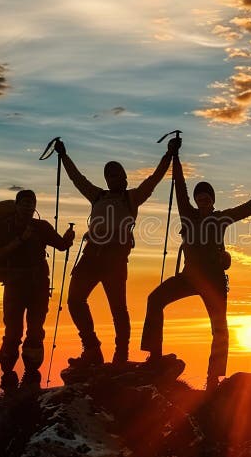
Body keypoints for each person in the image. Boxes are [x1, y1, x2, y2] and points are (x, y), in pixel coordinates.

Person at [140, 148, 251, 390]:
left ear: (213, 200)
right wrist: (176, 157)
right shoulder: (187, 215)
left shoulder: (221, 218)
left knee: (219, 327)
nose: (203, 200)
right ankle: (155, 357)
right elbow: (179, 187)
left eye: (207, 197)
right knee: (155, 299)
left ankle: (213, 378)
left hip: (213, 280)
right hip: (188, 277)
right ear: (196, 200)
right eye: (199, 197)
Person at [54, 137, 178, 369]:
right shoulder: (97, 195)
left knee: (118, 310)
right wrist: (64, 156)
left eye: (117, 175)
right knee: (75, 301)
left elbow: (154, 179)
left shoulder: (132, 197)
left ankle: (120, 355)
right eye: (109, 176)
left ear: (124, 177)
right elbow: (77, 178)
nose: (113, 178)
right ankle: (92, 349)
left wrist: (169, 155)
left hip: (114, 258)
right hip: (91, 255)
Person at [0, 189, 75, 391]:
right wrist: (21, 240)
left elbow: (61, 245)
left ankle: (22, 374)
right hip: (19, 285)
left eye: (31, 204)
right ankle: (16, 374)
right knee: (16, 332)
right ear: (17, 205)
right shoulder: (6, 227)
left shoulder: (40, 227)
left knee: (32, 330)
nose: (28, 207)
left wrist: (68, 238)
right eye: (25, 203)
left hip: (32, 286)